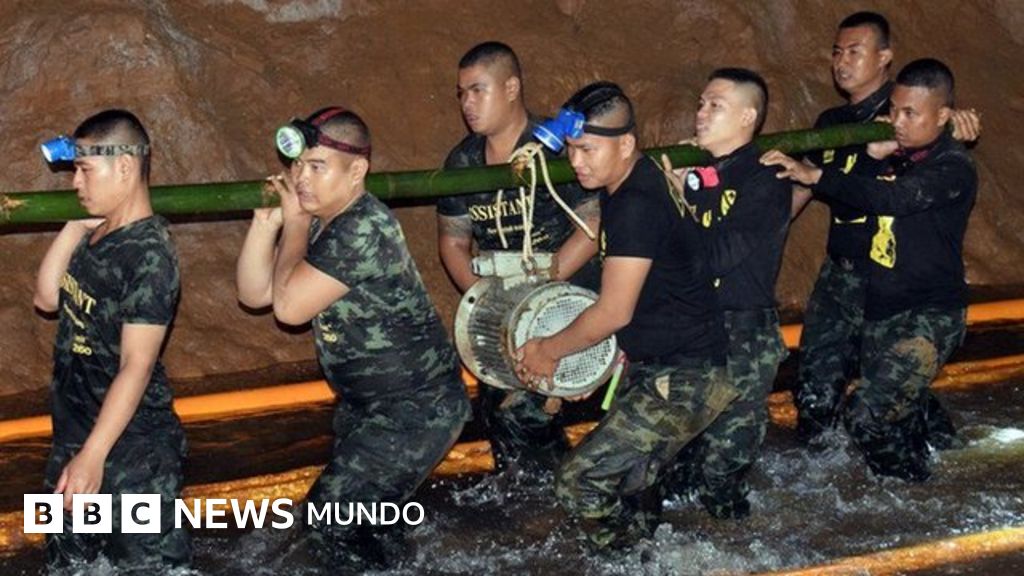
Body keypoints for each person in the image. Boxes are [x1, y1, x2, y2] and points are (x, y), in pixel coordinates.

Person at [236, 107, 470, 568]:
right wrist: (266, 227)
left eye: (317, 166)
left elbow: (287, 307)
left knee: (328, 519)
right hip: (369, 408)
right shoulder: (329, 219)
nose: (301, 177)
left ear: (357, 170)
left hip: (414, 410)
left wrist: (296, 224)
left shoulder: (362, 225)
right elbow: (255, 293)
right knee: (369, 530)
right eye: (298, 165)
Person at [516, 82, 737, 549]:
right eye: (572, 150)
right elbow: (656, 293)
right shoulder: (634, 181)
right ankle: (646, 555)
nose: (577, 163)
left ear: (627, 144)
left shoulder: (634, 204)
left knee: (579, 483)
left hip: (685, 377)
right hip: (672, 366)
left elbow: (614, 310)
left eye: (588, 150)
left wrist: (546, 352)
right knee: (635, 488)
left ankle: (624, 560)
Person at [762, 58, 976, 481]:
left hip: (930, 315)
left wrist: (816, 174)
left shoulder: (953, 168)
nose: (896, 121)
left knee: (868, 415)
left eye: (910, 113)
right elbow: (855, 199)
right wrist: (871, 158)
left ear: (944, 117)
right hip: (883, 308)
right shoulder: (895, 156)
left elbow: (892, 199)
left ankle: (912, 489)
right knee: (900, 408)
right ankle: (941, 463)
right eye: (893, 111)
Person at [33, 109, 191, 570]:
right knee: (67, 565)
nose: (75, 183)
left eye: (84, 170)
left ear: (124, 167)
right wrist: (75, 226)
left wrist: (94, 456)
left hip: (132, 453)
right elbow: (46, 298)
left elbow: (136, 364)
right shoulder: (96, 231)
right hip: (75, 439)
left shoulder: (150, 254)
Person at [437, 41, 600, 473]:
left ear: (511, 88)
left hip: (572, 299)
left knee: (527, 412)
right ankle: (536, 504)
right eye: (461, 93)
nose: (467, 103)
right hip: (506, 308)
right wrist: (488, 304)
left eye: (477, 90)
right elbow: (453, 243)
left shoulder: (555, 148)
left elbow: (592, 225)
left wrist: (541, 294)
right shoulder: (462, 162)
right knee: (500, 413)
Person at [659, 68, 790, 519]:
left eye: (715, 105)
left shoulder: (765, 179)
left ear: (747, 117)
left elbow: (717, 256)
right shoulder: (693, 172)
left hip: (743, 334)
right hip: (692, 328)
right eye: (700, 103)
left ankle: (741, 547)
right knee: (675, 460)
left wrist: (683, 211)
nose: (701, 113)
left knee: (722, 465)